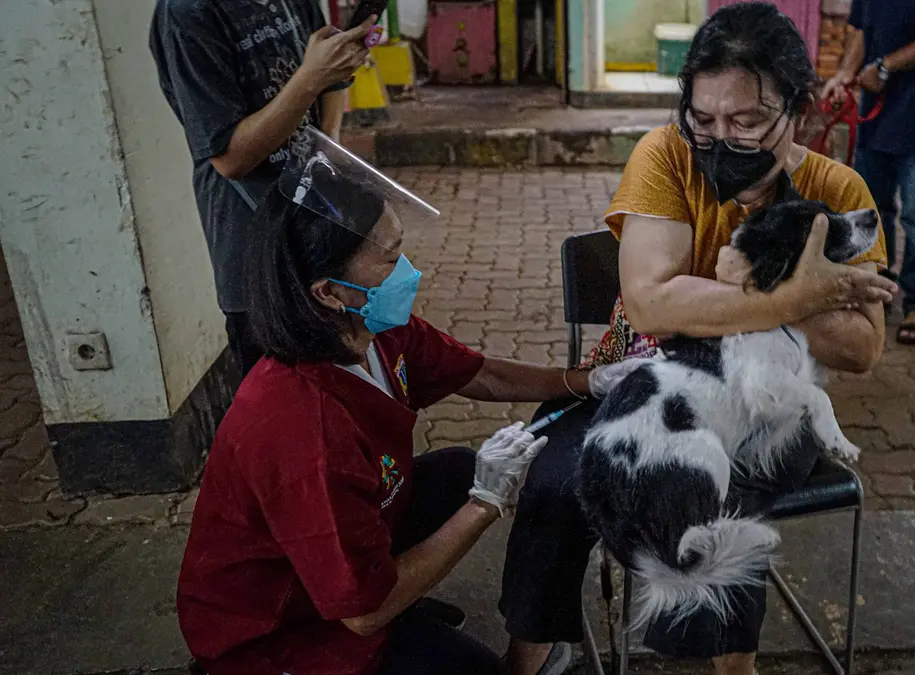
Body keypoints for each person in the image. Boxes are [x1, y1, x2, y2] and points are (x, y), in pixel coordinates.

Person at [499, 4, 898, 675]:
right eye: (703, 118)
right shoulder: (666, 155)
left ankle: (731, 665)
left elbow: (861, 346)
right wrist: (797, 293)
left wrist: (740, 286)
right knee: (554, 475)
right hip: (640, 377)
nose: (719, 139)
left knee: (720, 495)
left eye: (745, 123)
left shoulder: (838, 188)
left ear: (794, 114)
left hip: (759, 400)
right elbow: (653, 303)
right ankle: (529, 653)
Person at [175, 131, 644, 675]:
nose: (410, 270)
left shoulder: (370, 330)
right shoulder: (303, 428)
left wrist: (586, 380)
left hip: (339, 562)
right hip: (279, 633)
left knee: (455, 471)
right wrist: (484, 504)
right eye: (392, 257)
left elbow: (479, 373)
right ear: (329, 291)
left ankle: (409, 600)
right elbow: (363, 613)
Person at [149, 0, 376, 377]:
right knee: (283, 404)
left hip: (316, 224)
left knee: (341, 389)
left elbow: (329, 72)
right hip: (255, 248)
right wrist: (310, 77)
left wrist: (329, 144)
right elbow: (231, 159)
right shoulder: (187, 14)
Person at [820, 0, 915, 345]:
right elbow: (861, 26)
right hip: (877, 118)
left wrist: (886, 67)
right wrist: (846, 73)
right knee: (872, 212)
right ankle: (878, 290)